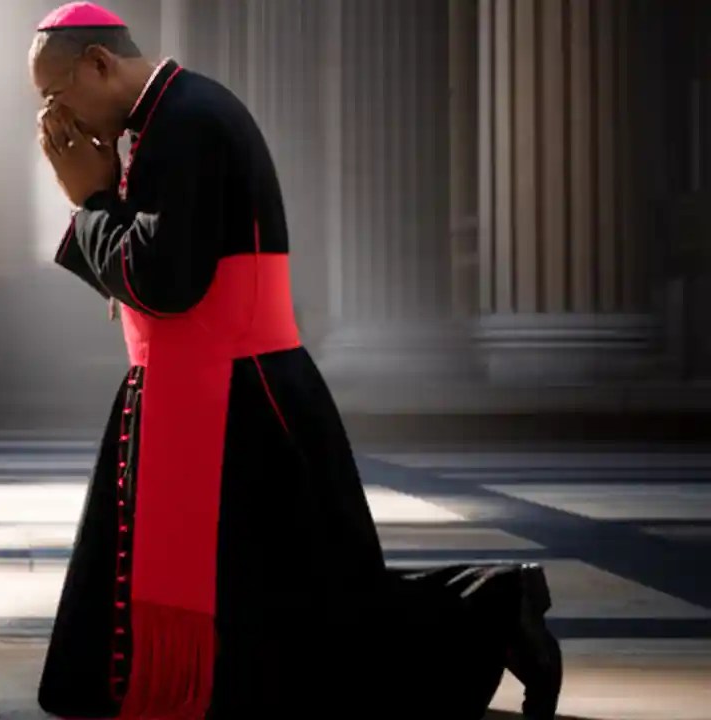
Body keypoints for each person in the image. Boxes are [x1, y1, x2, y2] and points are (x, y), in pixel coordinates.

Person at [29, 3, 563, 718]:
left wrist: (89, 199)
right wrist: (100, 202)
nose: (52, 121)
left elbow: (164, 282)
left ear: (98, 63)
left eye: (54, 96)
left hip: (241, 401)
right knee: (303, 612)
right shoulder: (170, 116)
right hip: (226, 390)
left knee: (325, 614)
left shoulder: (183, 125)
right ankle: (498, 605)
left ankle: (499, 607)